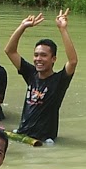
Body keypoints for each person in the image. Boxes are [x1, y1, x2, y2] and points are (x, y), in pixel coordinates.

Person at [5, 8, 78, 144]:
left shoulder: (59, 81)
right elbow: (10, 51)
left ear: (53, 59)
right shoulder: (31, 74)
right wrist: (23, 26)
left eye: (44, 55)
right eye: (36, 55)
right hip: (22, 136)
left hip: (43, 141)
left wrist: (62, 29)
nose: (38, 59)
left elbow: (73, 61)